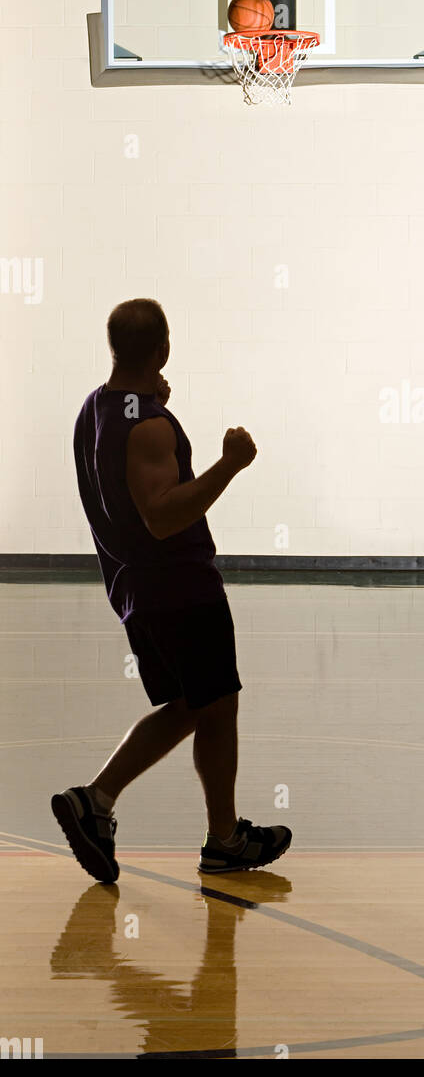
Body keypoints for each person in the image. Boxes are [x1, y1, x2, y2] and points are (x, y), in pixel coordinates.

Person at [53, 298, 290, 883]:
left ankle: (97, 800)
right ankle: (224, 840)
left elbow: (128, 447)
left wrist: (149, 400)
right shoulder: (148, 425)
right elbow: (160, 515)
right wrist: (229, 465)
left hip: (135, 588)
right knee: (218, 704)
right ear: (163, 349)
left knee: (189, 704)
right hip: (180, 586)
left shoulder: (98, 409)